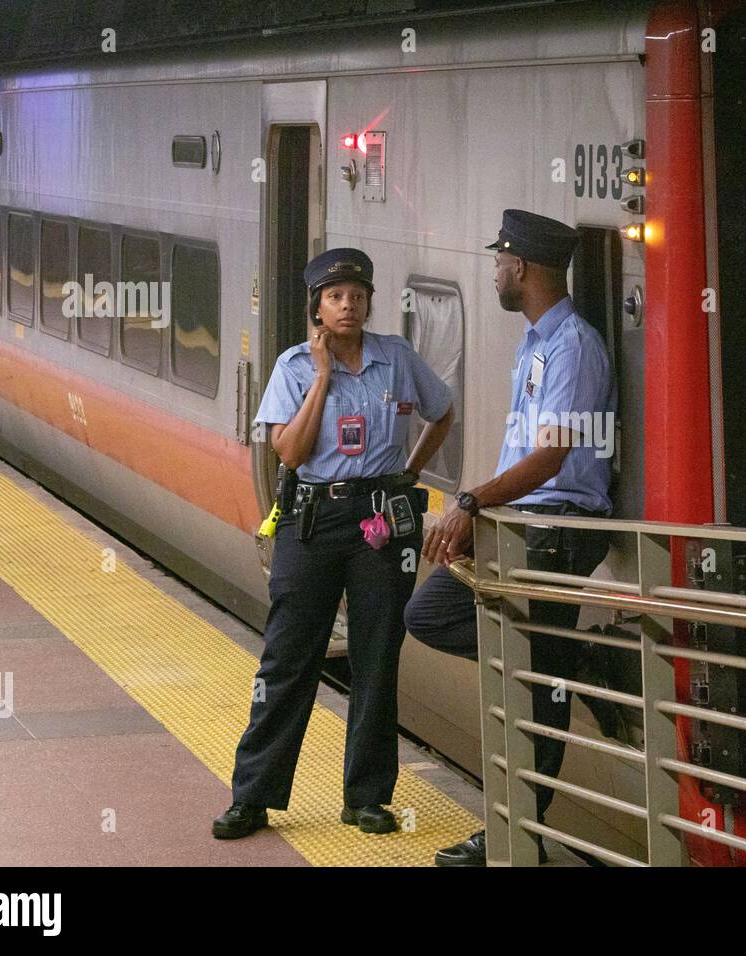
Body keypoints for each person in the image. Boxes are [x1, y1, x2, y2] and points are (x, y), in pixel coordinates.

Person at [214, 248, 454, 839]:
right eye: (335, 297)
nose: (349, 305)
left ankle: (367, 798)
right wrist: (323, 377)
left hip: (381, 520)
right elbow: (289, 452)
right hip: (312, 519)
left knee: (377, 655)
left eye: (357, 295)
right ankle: (254, 797)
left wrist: (409, 472)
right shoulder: (293, 367)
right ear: (317, 309)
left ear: (369, 301)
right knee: (288, 656)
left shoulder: (396, 358)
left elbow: (442, 412)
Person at [404, 209, 615, 866]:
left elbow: (551, 457)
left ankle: (517, 838)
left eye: (499, 261)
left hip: (555, 531)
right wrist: (487, 517)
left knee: (532, 686)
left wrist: (471, 502)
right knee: (434, 615)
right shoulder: (538, 342)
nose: (494, 269)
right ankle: (561, 660)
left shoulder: (573, 347)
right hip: (524, 527)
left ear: (520, 268)